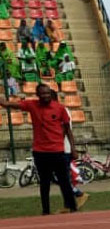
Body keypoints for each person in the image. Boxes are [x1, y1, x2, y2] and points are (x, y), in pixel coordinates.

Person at [0, 83, 80, 214]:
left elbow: (68, 130)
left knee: (65, 181)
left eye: (48, 93)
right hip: (40, 152)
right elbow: (11, 105)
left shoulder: (60, 108)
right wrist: (3, 102)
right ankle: (46, 211)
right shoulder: (32, 105)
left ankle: (73, 207)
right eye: (43, 93)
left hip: (58, 151)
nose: (46, 96)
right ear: (38, 95)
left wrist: (73, 149)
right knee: (44, 183)